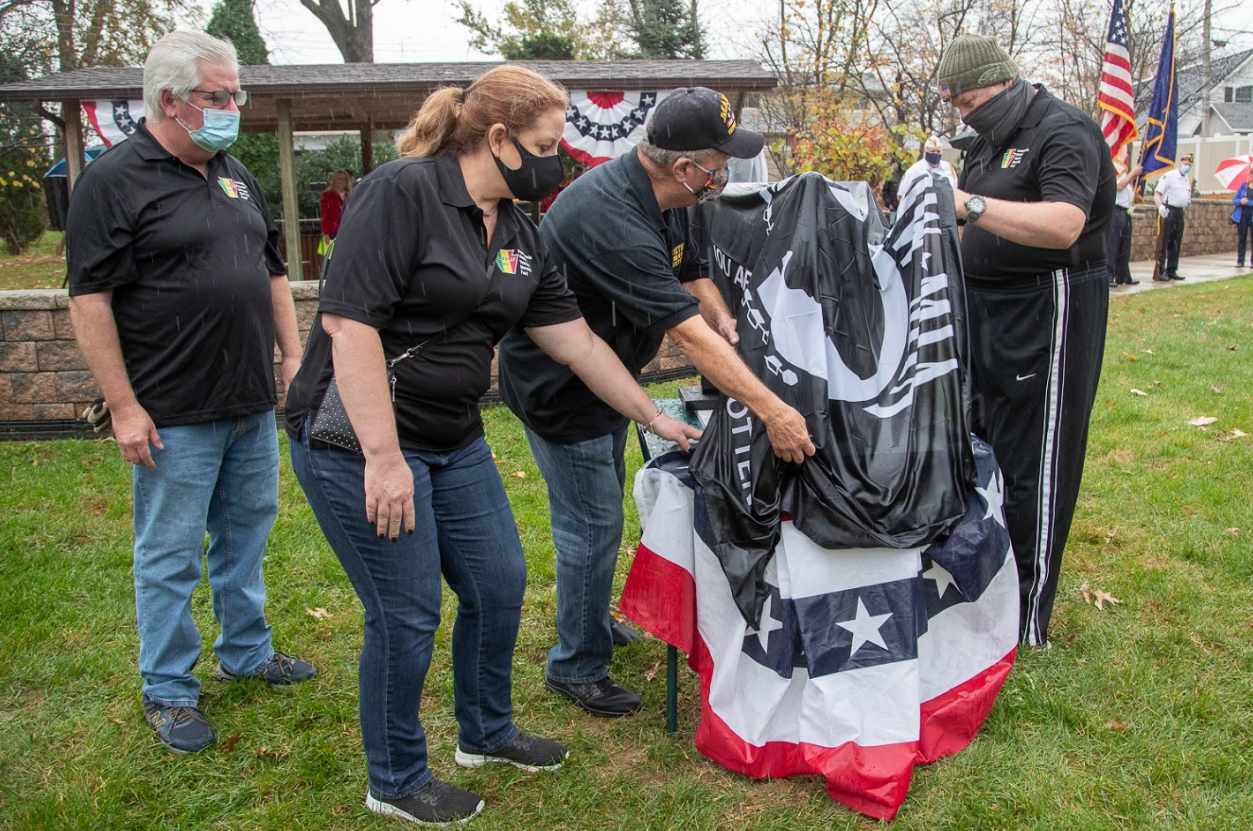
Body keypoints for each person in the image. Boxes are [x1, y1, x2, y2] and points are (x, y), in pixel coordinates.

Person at [283, 66, 701, 826]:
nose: (558, 162)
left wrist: (654, 416)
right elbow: (352, 328)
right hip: (362, 439)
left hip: (455, 436)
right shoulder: (401, 193)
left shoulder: (516, 230)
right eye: (546, 145)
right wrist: (383, 459)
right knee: (406, 611)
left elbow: (575, 343)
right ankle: (397, 776)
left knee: (499, 581)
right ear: (499, 138)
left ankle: (486, 730)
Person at [497, 86, 816, 718]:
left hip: (612, 375)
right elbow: (685, 334)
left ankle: (588, 620)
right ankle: (575, 665)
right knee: (590, 527)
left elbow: (694, 281)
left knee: (601, 511)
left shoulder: (684, 199)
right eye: (719, 163)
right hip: (564, 389)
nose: (726, 174)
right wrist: (771, 408)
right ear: (684, 168)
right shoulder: (608, 215)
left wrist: (730, 324)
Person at [64, 30, 315, 756]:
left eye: (237, 93)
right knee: (169, 551)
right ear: (169, 101)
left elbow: (270, 268)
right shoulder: (113, 181)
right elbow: (90, 299)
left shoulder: (235, 171)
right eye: (219, 95)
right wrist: (123, 405)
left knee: (246, 535)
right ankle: (169, 687)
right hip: (171, 409)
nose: (234, 105)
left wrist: (292, 353)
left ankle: (245, 649)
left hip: (246, 400)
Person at [936, 34, 1115, 646]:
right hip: (984, 309)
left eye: (970, 100)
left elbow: (1065, 223)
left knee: (1034, 457)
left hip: (1048, 304)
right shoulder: (985, 141)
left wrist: (971, 206)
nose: (964, 113)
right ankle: (979, 595)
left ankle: (1024, 618)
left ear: (1004, 81)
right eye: (956, 105)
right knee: (983, 448)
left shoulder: (1063, 130)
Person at [1152, 153, 1193, 281]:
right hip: (1168, 210)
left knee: (1176, 242)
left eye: (1189, 165)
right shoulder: (1169, 176)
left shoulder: (1188, 179)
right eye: (1186, 164)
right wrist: (1160, 207)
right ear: (1180, 163)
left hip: (1179, 212)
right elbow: (1158, 193)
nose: (1187, 167)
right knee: (1164, 241)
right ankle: (1161, 270)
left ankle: (1172, 270)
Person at [1107, 152, 1143, 287]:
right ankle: (1109, 275)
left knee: (1124, 246)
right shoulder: (1115, 172)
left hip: (1126, 212)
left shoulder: (1124, 175)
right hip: (1115, 211)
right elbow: (1118, 187)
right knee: (1113, 245)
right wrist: (1132, 174)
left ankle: (1123, 275)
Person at [320, 168, 352, 243]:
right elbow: (325, 215)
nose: (342, 181)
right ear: (335, 180)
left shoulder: (350, 195)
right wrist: (326, 233)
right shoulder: (327, 195)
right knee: (332, 253)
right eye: (340, 178)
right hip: (333, 231)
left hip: (347, 229)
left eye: (344, 179)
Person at [1233, 161, 1253, 269]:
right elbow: (1234, 200)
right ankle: (1240, 260)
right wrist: (1241, 201)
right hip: (1242, 216)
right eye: (1251, 173)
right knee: (1242, 238)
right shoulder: (1243, 187)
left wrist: (1249, 202)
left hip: (1252, 215)